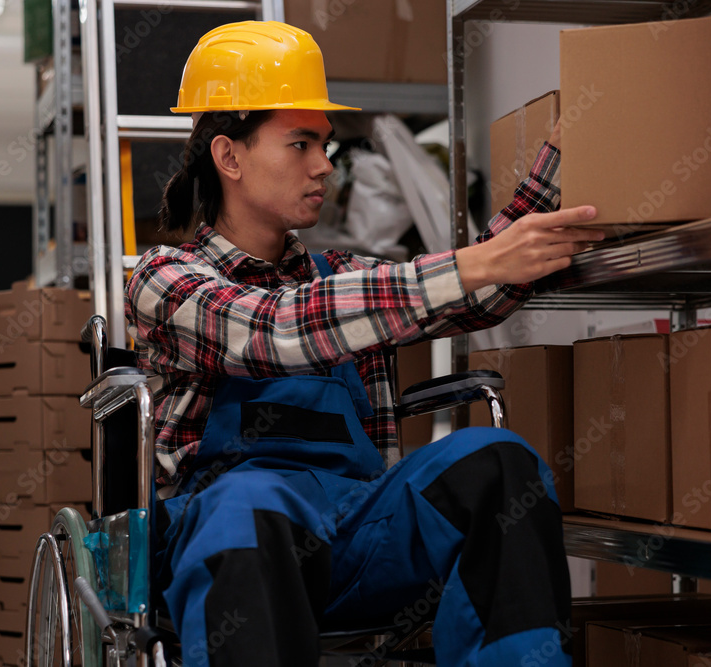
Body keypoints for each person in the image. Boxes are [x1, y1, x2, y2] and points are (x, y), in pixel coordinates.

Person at [126, 20, 603, 667]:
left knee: (499, 460)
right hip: (231, 540)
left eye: (325, 144)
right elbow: (273, 329)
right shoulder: (165, 277)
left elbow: (483, 291)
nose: (325, 165)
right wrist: (476, 264)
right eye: (300, 143)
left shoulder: (343, 277)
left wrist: (577, 138)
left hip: (357, 530)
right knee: (250, 500)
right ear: (229, 157)